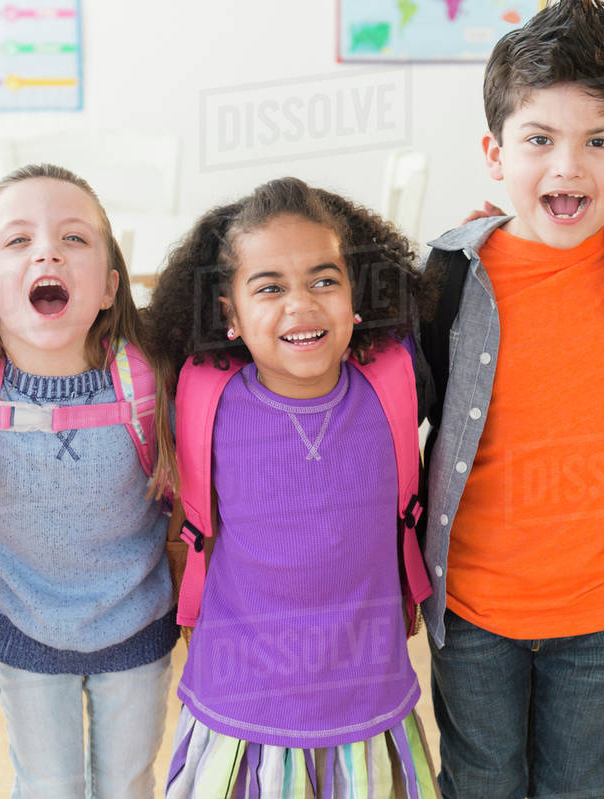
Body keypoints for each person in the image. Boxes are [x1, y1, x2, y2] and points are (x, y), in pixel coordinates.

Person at [416, 1, 604, 796]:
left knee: (578, 782)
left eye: (599, 141)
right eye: (539, 139)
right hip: (475, 607)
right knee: (480, 779)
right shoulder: (445, 277)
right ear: (495, 151)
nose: (568, 168)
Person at [147, 176, 438, 797]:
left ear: (356, 293)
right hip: (241, 702)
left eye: (324, 280)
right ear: (230, 312)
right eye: (269, 287)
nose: (301, 305)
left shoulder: (391, 384)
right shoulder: (203, 398)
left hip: (365, 696)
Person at [0, 163, 178, 799]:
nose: (49, 250)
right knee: (48, 785)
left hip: (137, 619)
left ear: (112, 287)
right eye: (18, 240)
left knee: (128, 783)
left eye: (75, 239)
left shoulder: (154, 372)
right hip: (19, 619)